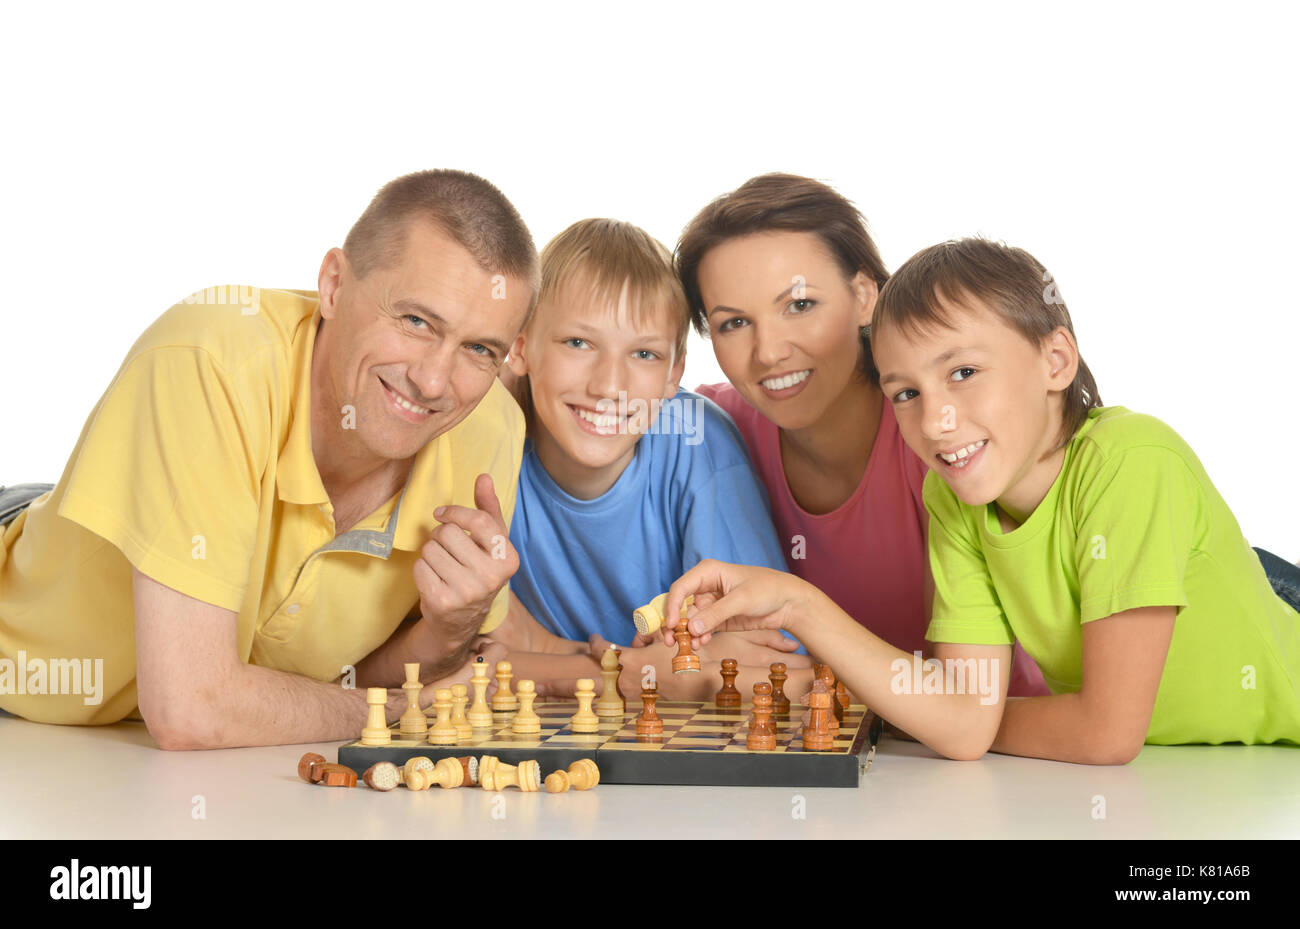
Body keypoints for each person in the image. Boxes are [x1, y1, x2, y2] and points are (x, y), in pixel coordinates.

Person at [661, 237, 1300, 763]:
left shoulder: (1133, 462)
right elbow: (966, 726)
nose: (936, 420)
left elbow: (1102, 734)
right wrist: (799, 605)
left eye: (962, 373)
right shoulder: (954, 496)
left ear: (1055, 360)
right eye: (905, 393)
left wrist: (929, 714)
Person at [0, 169, 538, 748]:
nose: (434, 381)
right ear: (333, 285)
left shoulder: (492, 427)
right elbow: (192, 711)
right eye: (415, 321)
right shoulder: (207, 360)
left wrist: (447, 634)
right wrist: (406, 714)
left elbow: (339, 682)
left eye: (480, 349)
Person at [676, 173, 1048, 696]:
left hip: (1001, 754)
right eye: (733, 323)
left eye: (799, 306)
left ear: (865, 295)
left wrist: (791, 681)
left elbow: (969, 701)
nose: (768, 352)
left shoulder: (946, 439)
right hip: (830, 753)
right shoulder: (709, 433)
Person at [488, 218, 807, 700]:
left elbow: (778, 668)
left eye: (643, 354)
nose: (609, 386)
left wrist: (552, 659)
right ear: (520, 346)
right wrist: (635, 674)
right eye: (578, 343)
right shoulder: (486, 443)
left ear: (674, 372)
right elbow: (467, 657)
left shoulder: (698, 444)